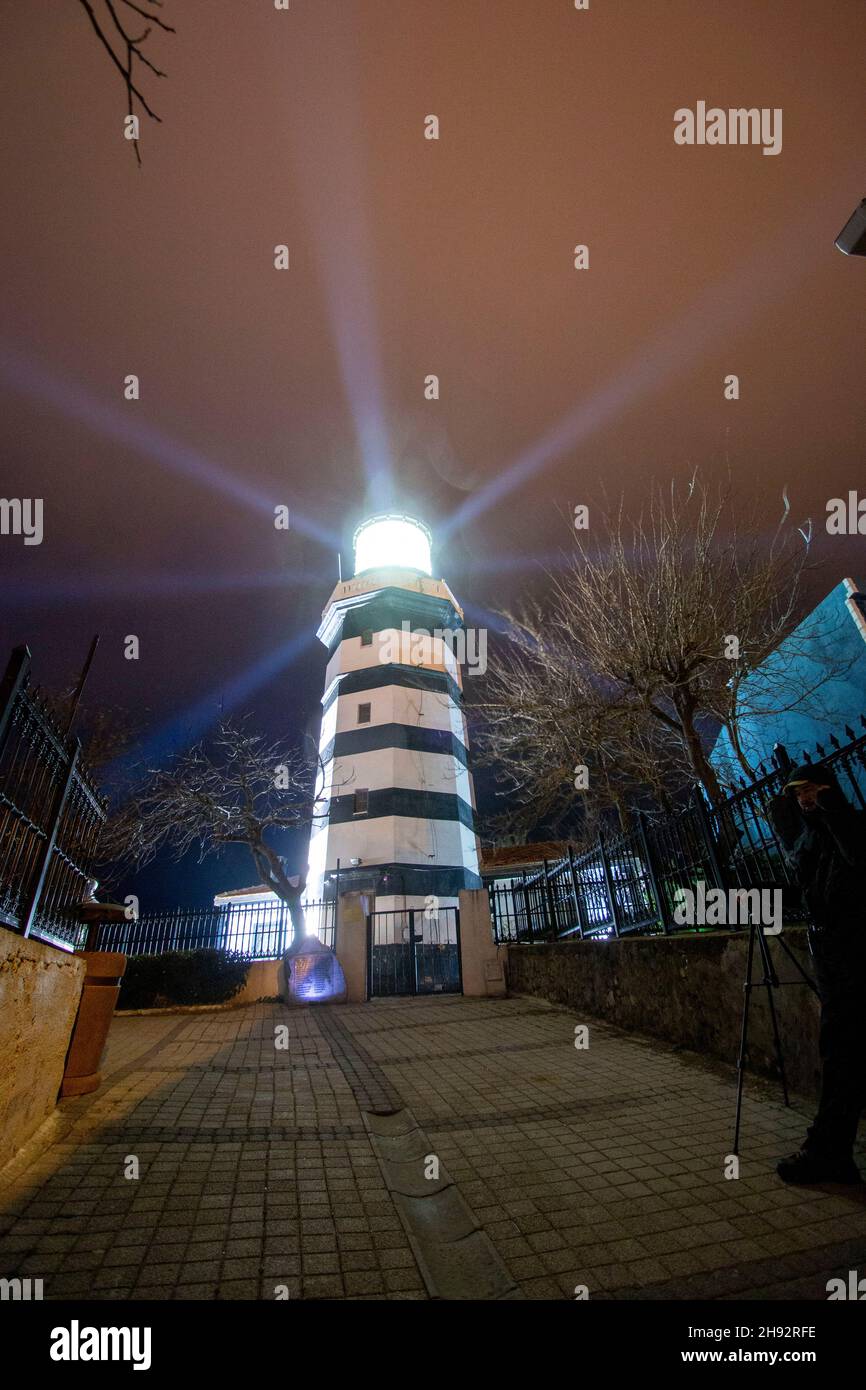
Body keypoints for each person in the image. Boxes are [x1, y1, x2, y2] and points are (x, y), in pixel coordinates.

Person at [768, 763, 865, 1184]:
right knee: (843, 1054)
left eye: (812, 790)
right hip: (830, 957)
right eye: (799, 793)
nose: (805, 798)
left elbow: (858, 857)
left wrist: (832, 809)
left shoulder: (849, 825)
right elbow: (803, 879)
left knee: (844, 1053)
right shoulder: (814, 838)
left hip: (856, 956)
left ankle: (829, 1151)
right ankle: (832, 1151)